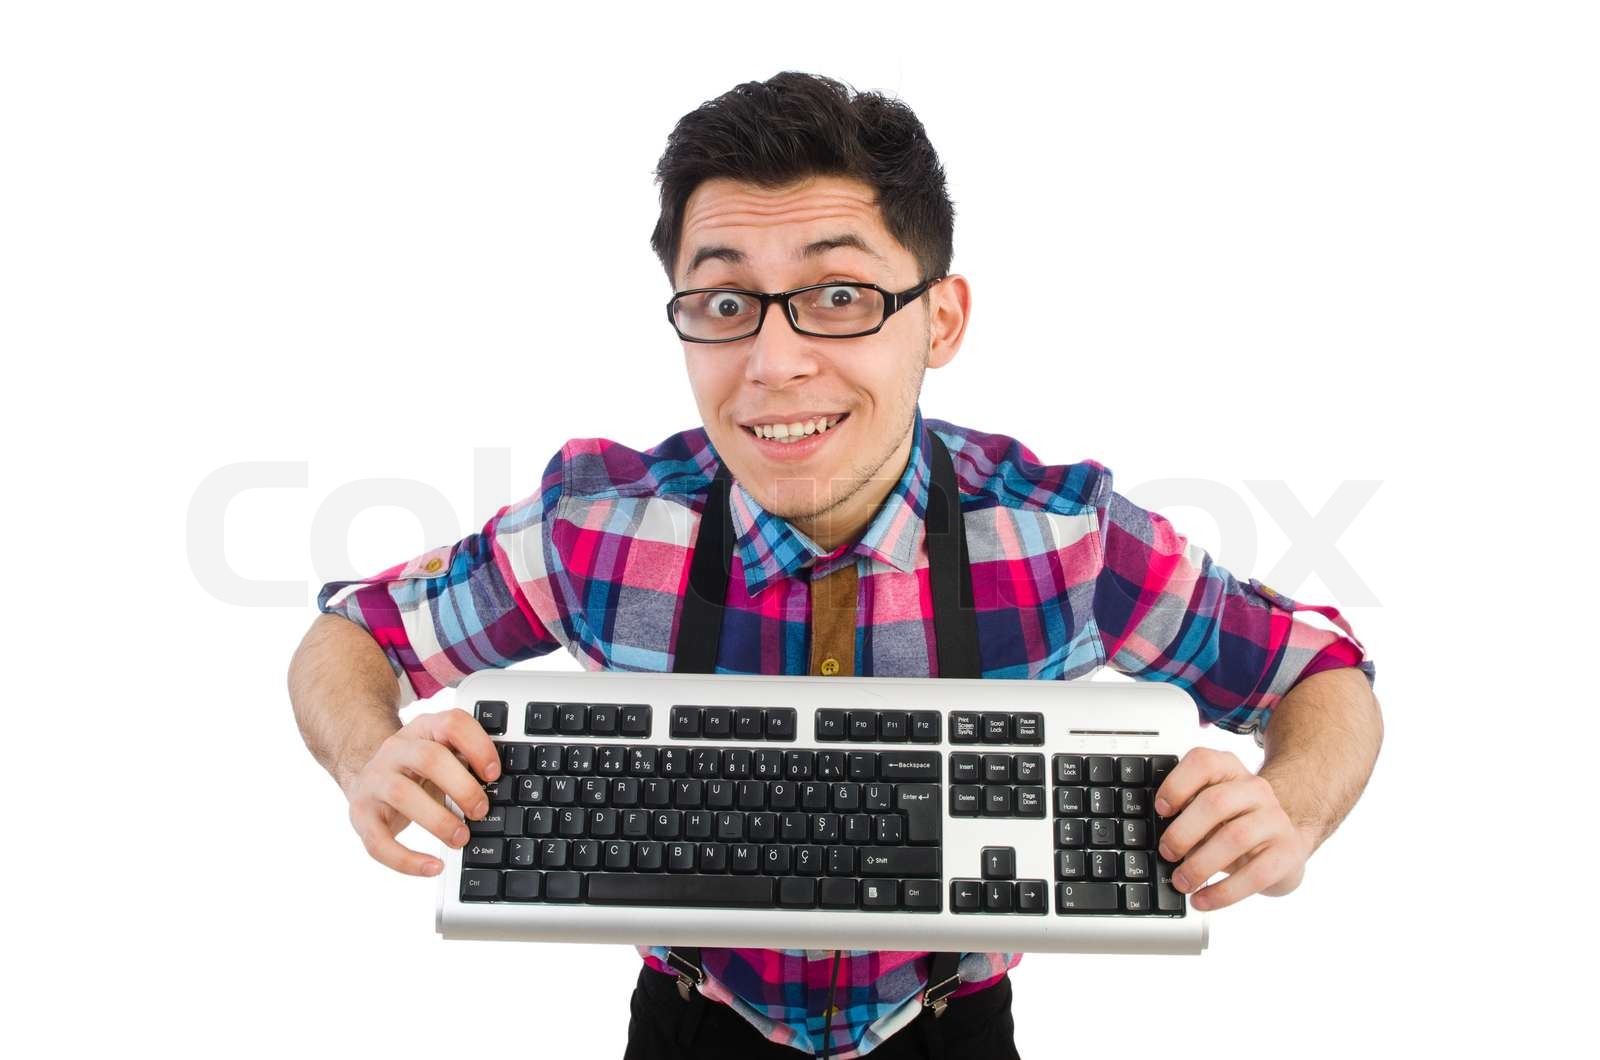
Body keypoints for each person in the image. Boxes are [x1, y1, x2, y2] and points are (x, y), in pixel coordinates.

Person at [287, 71, 1382, 1060]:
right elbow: (356, 631)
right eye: (724, 303)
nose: (772, 363)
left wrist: (1290, 806)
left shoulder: (1067, 540)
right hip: (689, 1030)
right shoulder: (597, 528)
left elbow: (1315, 667)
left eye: (840, 297)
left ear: (940, 320)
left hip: (950, 1032)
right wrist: (365, 754)